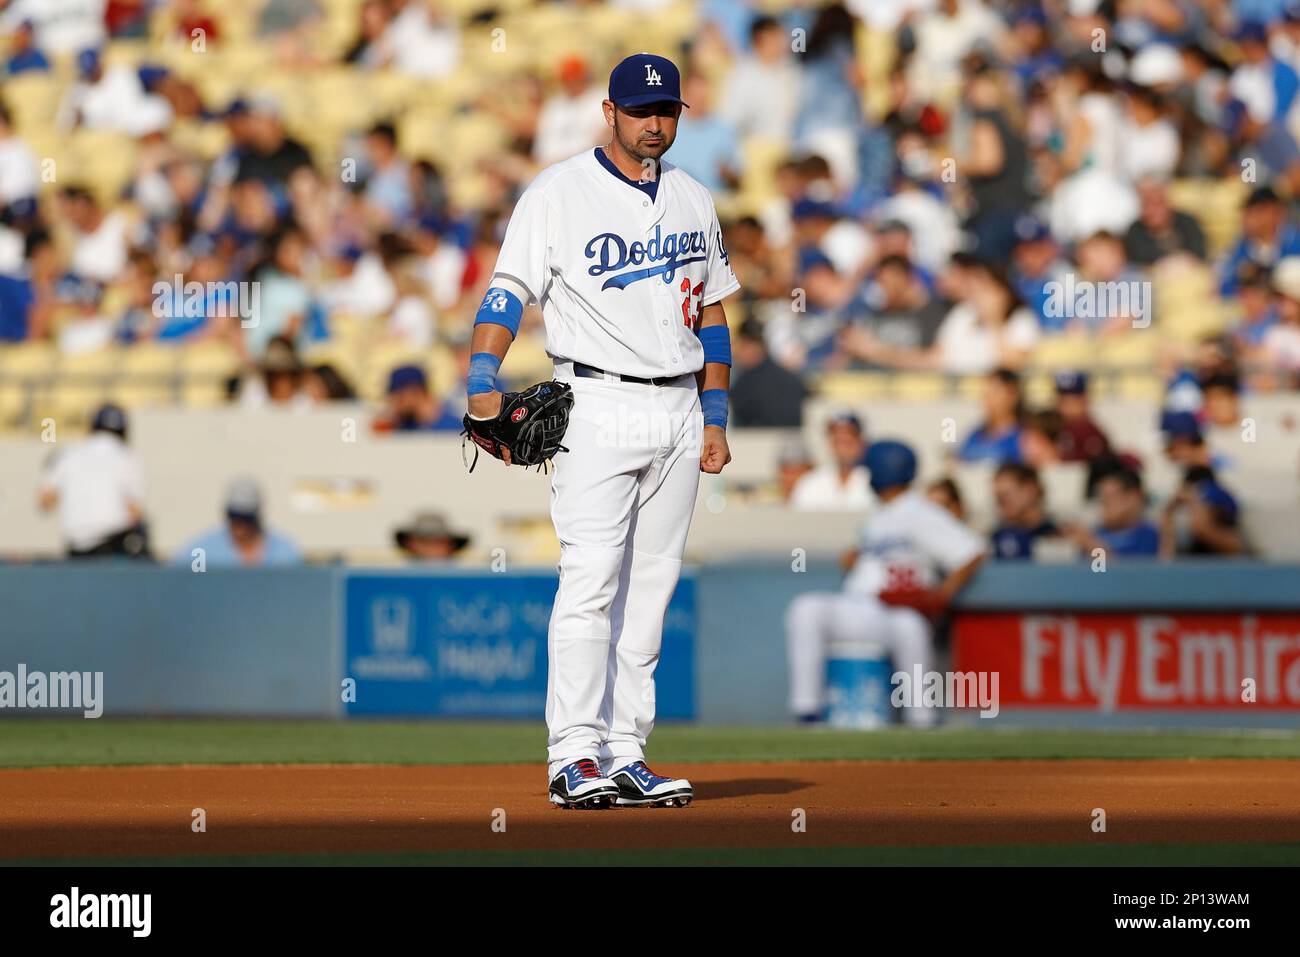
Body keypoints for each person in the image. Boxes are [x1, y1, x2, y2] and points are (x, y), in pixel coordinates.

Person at [462, 53, 739, 809]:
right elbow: (507, 293)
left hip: (681, 405)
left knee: (650, 589)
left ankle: (625, 752)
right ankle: (572, 753)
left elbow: (712, 316)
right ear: (609, 113)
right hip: (596, 400)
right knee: (590, 580)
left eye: (667, 110)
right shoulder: (556, 192)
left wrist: (715, 413)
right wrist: (483, 376)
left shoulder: (693, 199)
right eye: (641, 109)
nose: (656, 123)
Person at [785, 440, 985, 726]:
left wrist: (943, 593)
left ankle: (923, 718)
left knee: (910, 627)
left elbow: (971, 551)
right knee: (806, 608)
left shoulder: (921, 511)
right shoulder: (879, 513)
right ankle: (808, 711)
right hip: (858, 606)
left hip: (896, 612)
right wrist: (858, 557)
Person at [37, 404, 149, 559]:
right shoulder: (127, 456)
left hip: (75, 547)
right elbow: (135, 511)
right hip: (113, 546)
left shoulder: (66, 453)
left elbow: (45, 502)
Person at [172, 477, 302, 567]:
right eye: (234, 516)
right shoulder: (202, 552)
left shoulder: (284, 552)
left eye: (246, 518)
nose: (240, 525)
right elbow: (186, 578)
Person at [729, 317, 808, 428]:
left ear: (753, 346)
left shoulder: (745, 383)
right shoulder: (790, 378)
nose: (737, 353)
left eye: (741, 345)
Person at [1064, 467, 1159, 558]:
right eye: (1101, 499)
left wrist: (1090, 544)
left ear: (1133, 497)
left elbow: (1128, 570)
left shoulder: (1148, 536)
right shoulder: (1095, 532)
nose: (1104, 505)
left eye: (1109, 498)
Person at [790, 412, 872, 510]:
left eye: (849, 438)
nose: (843, 445)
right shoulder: (811, 483)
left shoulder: (874, 480)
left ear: (861, 441)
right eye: (837, 439)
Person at [1159, 471, 1245, 558]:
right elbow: (1165, 558)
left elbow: (1201, 529)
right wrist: (1170, 511)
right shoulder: (1188, 536)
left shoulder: (1232, 539)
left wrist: (1192, 500)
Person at [990, 463, 1060, 559]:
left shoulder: (1061, 534)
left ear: (1031, 489)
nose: (1001, 503)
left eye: (1006, 495)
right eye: (998, 498)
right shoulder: (994, 539)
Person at [958, 367, 1024, 463]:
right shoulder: (973, 436)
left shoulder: (1026, 438)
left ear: (1013, 395)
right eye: (985, 394)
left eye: (994, 392)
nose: (988, 400)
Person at [373, 364, 462, 432]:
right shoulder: (404, 425)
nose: (394, 403)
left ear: (416, 392)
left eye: (399, 398)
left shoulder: (452, 428)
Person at [1052, 370, 1110, 462]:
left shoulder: (1090, 432)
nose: (1068, 406)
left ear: (1085, 400)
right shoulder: (1053, 426)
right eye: (1064, 400)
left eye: (1074, 400)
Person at [393, 511, 471, 561]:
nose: (430, 549)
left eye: (438, 542)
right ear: (409, 544)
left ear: (451, 545)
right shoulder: (394, 578)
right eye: (424, 542)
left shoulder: (467, 578)